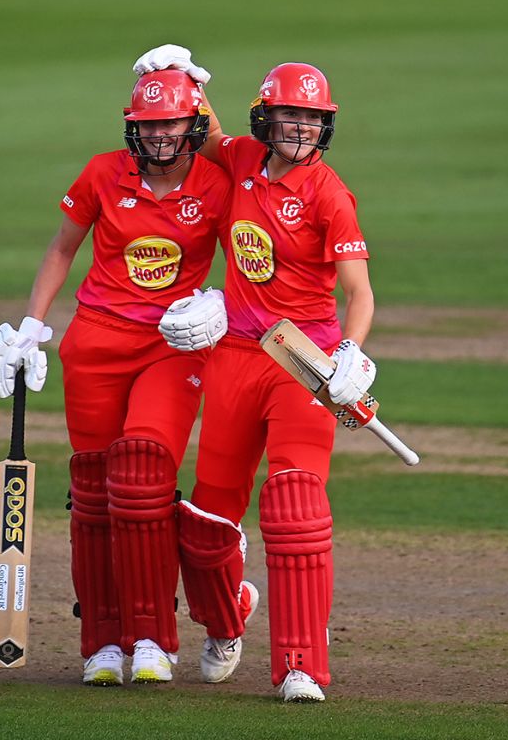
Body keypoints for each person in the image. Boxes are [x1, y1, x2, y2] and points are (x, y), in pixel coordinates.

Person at [135, 45, 377, 703]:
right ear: (265, 120)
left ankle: (300, 663)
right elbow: (204, 132)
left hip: (304, 362)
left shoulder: (330, 194)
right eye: (287, 117)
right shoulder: (240, 159)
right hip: (237, 356)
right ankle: (225, 620)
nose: (298, 129)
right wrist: (184, 78)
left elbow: (360, 292)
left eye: (310, 119)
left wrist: (351, 357)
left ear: (322, 126)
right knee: (207, 521)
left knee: (297, 504)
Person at [0, 68, 233, 686]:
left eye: (171, 123)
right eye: (147, 125)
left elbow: (255, 258)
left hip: (172, 344)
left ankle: (152, 636)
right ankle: (100, 643)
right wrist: (30, 326)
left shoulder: (218, 184)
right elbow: (62, 248)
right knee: (94, 494)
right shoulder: (103, 173)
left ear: (194, 124)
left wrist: (222, 303)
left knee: (146, 472)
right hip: (96, 340)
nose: (158, 136)